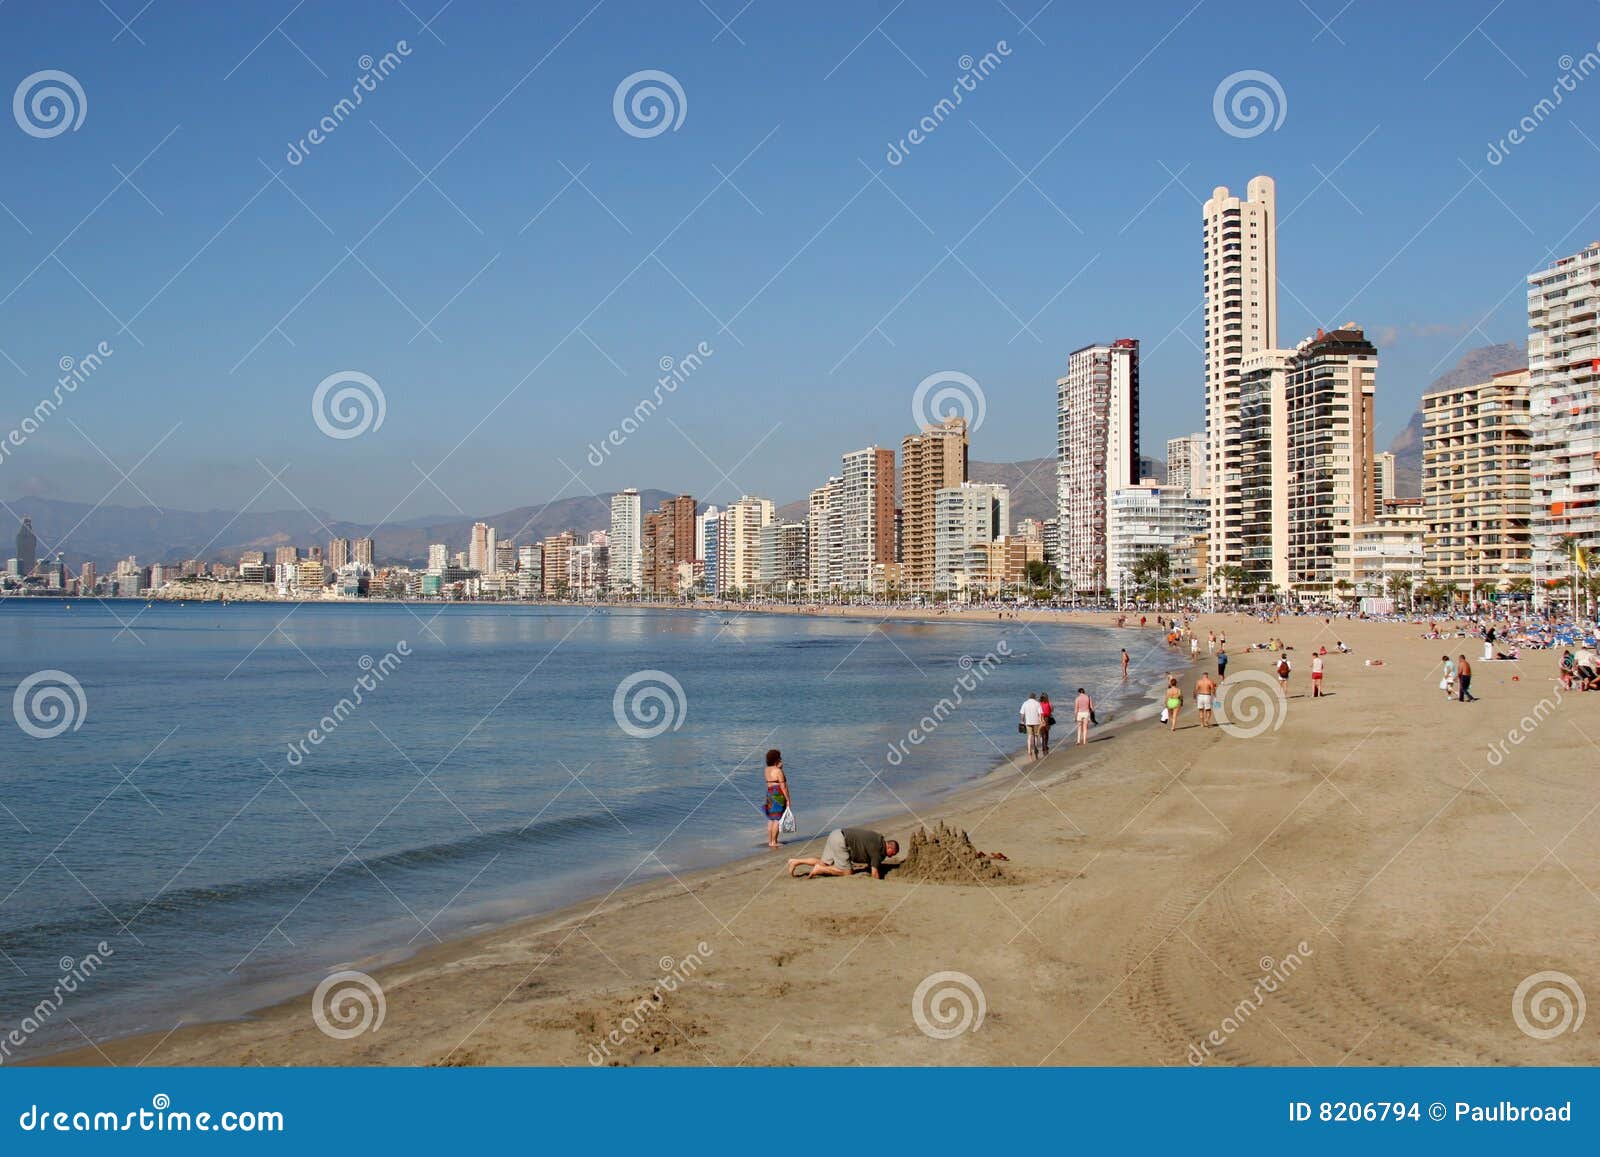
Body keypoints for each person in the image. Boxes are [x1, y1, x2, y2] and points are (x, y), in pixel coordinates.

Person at [787, 827, 900, 879]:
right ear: (889, 847)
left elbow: (864, 848)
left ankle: (796, 861)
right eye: (892, 853)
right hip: (842, 841)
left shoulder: (877, 837)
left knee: (823, 862)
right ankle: (819, 869)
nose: (890, 856)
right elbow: (874, 872)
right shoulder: (879, 849)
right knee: (848, 872)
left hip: (836, 833)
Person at [762, 748, 791, 850]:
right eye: (780, 758)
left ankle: (770, 841)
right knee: (777, 819)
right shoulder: (778, 771)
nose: (781, 759)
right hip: (777, 793)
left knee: (771, 818)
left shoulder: (766, 769)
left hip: (769, 793)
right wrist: (788, 799)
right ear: (776, 759)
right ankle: (774, 841)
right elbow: (783, 787)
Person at [1020, 692, 1044, 760]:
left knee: (1029, 736)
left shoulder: (1025, 703)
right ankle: (1035, 748)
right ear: (1035, 697)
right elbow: (1040, 713)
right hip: (1036, 722)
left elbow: (1022, 713)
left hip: (1028, 722)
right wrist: (1041, 721)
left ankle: (1029, 751)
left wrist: (1022, 721)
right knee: (1036, 736)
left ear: (1029, 697)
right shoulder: (1037, 703)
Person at [1037, 691, 1054, 755]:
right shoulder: (1048, 703)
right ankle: (1045, 745)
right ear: (1047, 697)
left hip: (1040, 719)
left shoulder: (1039, 704)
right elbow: (1052, 710)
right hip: (1047, 719)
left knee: (1042, 733)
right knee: (1046, 733)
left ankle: (1043, 746)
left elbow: (1037, 712)